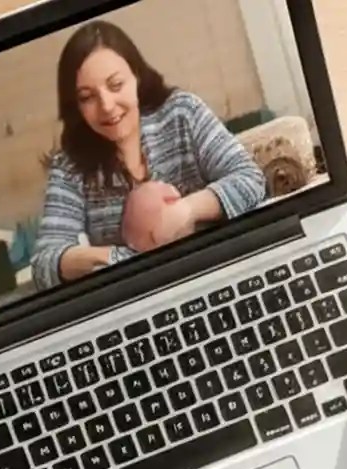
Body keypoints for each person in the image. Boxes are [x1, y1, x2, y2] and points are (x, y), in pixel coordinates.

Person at [22, 20, 266, 290]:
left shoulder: (181, 113)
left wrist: (186, 211)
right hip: (136, 293)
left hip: (218, 270)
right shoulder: (69, 167)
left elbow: (250, 179)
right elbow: (44, 265)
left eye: (115, 85)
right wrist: (119, 259)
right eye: (87, 97)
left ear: (136, 76)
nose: (106, 106)